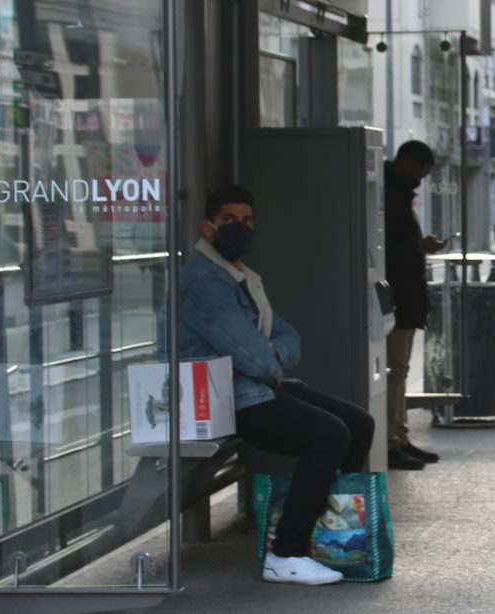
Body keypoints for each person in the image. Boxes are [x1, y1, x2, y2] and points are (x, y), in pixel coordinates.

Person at [180, 184, 375, 586]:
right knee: (328, 435)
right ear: (207, 227)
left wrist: (271, 355)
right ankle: (286, 553)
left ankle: (329, 532)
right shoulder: (206, 281)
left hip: (255, 386)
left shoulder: (238, 275)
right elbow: (254, 359)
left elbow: (288, 336)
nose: (241, 227)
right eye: (229, 220)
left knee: (358, 423)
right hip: (227, 398)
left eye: (247, 220)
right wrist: (269, 356)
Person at [383, 140, 445, 470]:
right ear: (408, 163)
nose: (421, 180)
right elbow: (387, 248)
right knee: (395, 369)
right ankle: (391, 440)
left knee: (400, 370)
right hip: (396, 296)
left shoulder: (397, 194)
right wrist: (417, 247)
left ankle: (400, 435)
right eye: (421, 172)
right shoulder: (389, 195)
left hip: (404, 296)